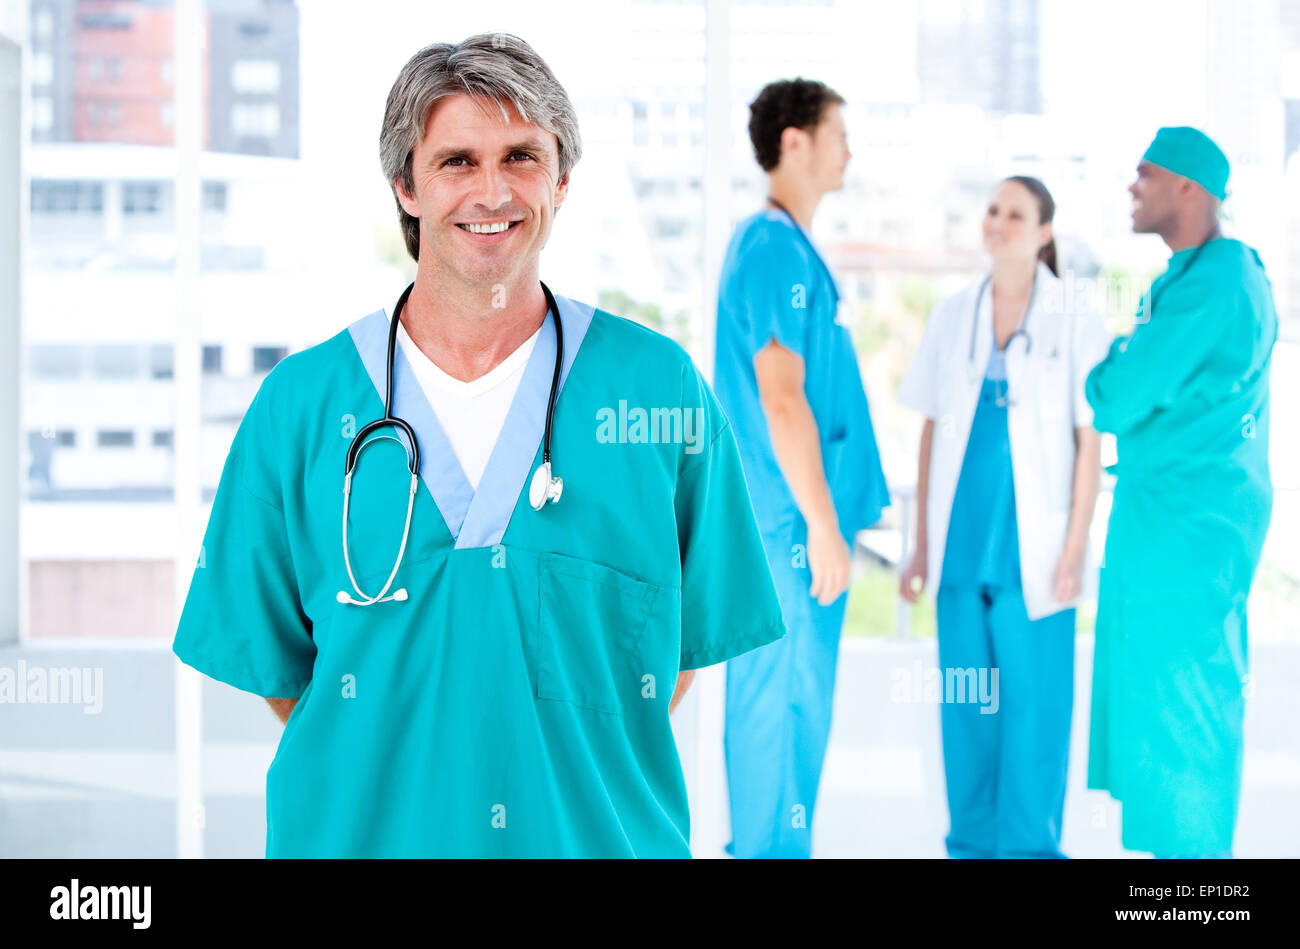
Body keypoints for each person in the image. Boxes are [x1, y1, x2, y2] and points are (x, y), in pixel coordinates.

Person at [172, 34, 786, 858]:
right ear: (406, 185)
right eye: (457, 160)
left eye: (522, 156)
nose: (492, 190)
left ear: (561, 178)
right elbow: (282, 673)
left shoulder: (657, 391)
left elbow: (674, 657)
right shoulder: (303, 405)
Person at [897, 176, 1111, 858]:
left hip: (1036, 554)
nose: (998, 222)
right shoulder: (954, 313)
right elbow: (932, 429)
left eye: (1015, 214)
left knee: (1035, 717)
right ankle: (970, 847)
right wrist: (920, 545)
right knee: (967, 717)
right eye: (992, 210)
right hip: (961, 549)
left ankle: (1031, 849)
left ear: (1044, 231)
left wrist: (1076, 546)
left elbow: (1089, 441)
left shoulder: (1075, 314)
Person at [1085, 127, 1277, 859]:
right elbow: (1134, 387)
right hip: (1167, 529)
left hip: (1190, 534)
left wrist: (1117, 362)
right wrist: (1127, 365)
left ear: (1191, 187)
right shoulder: (1195, 277)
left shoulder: (1221, 281)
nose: (1133, 189)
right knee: (1158, 709)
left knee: (1185, 709)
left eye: (1147, 174)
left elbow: (1117, 395)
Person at [713, 78, 890, 859]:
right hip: (788, 527)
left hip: (791, 524)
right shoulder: (773, 248)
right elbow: (782, 402)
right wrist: (822, 524)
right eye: (837, 132)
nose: (849, 149)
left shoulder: (788, 250)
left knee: (791, 712)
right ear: (796, 142)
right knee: (781, 712)